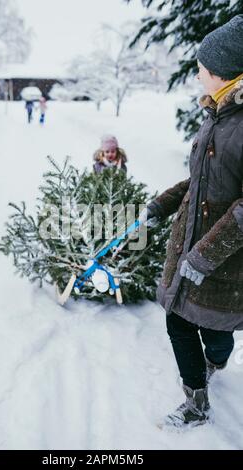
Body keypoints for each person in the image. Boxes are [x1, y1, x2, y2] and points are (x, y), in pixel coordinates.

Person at [145, 14, 243, 428]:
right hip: (196, 245)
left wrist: (203, 257)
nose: (198, 71)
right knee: (203, 322)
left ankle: (197, 405)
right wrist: (161, 204)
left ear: (220, 71)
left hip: (221, 260)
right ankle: (208, 371)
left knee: (194, 322)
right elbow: (202, 178)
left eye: (202, 66)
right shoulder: (220, 115)